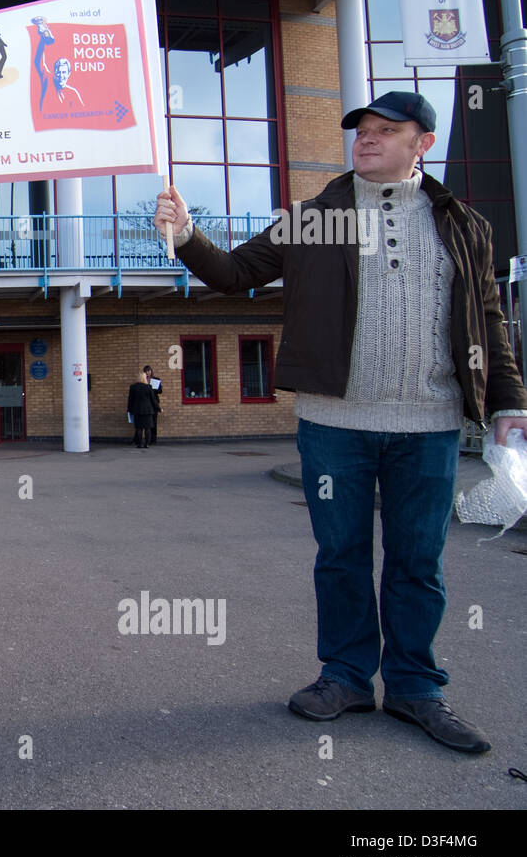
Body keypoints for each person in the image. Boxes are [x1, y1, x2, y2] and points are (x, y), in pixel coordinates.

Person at [154, 91, 527, 753]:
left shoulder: (465, 225)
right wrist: (185, 233)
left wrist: (507, 403)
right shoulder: (313, 218)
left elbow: (488, 321)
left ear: (423, 144)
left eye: (389, 131)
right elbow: (235, 272)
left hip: (431, 424)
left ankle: (416, 687)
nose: (369, 139)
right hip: (334, 424)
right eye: (363, 130)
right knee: (343, 556)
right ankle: (348, 676)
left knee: (418, 561)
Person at [127, 371, 156, 449]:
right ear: (144, 378)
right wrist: (158, 408)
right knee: (147, 428)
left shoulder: (133, 387)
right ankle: (147, 444)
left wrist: (129, 409)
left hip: (137, 410)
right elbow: (153, 400)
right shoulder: (148, 387)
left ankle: (139, 444)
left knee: (139, 428)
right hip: (147, 410)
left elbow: (130, 399)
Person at [143, 365, 162, 444]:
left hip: (154, 403)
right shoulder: (143, 381)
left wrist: (155, 389)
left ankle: (153, 440)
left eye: (149, 371)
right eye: (147, 371)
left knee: (154, 421)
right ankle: (148, 438)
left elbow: (160, 391)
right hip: (146, 403)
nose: (148, 372)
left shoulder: (156, 379)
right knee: (147, 422)